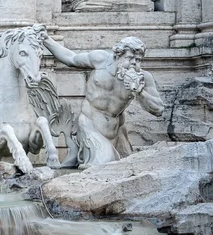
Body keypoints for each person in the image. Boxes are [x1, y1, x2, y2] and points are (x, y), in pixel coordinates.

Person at [42, 35, 165, 165]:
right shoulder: (100, 60)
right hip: (90, 125)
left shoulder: (144, 78)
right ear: (118, 56)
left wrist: (140, 92)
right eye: (129, 58)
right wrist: (46, 40)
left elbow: (159, 109)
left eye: (138, 60)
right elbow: (70, 58)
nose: (134, 63)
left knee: (125, 168)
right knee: (103, 163)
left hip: (117, 131)